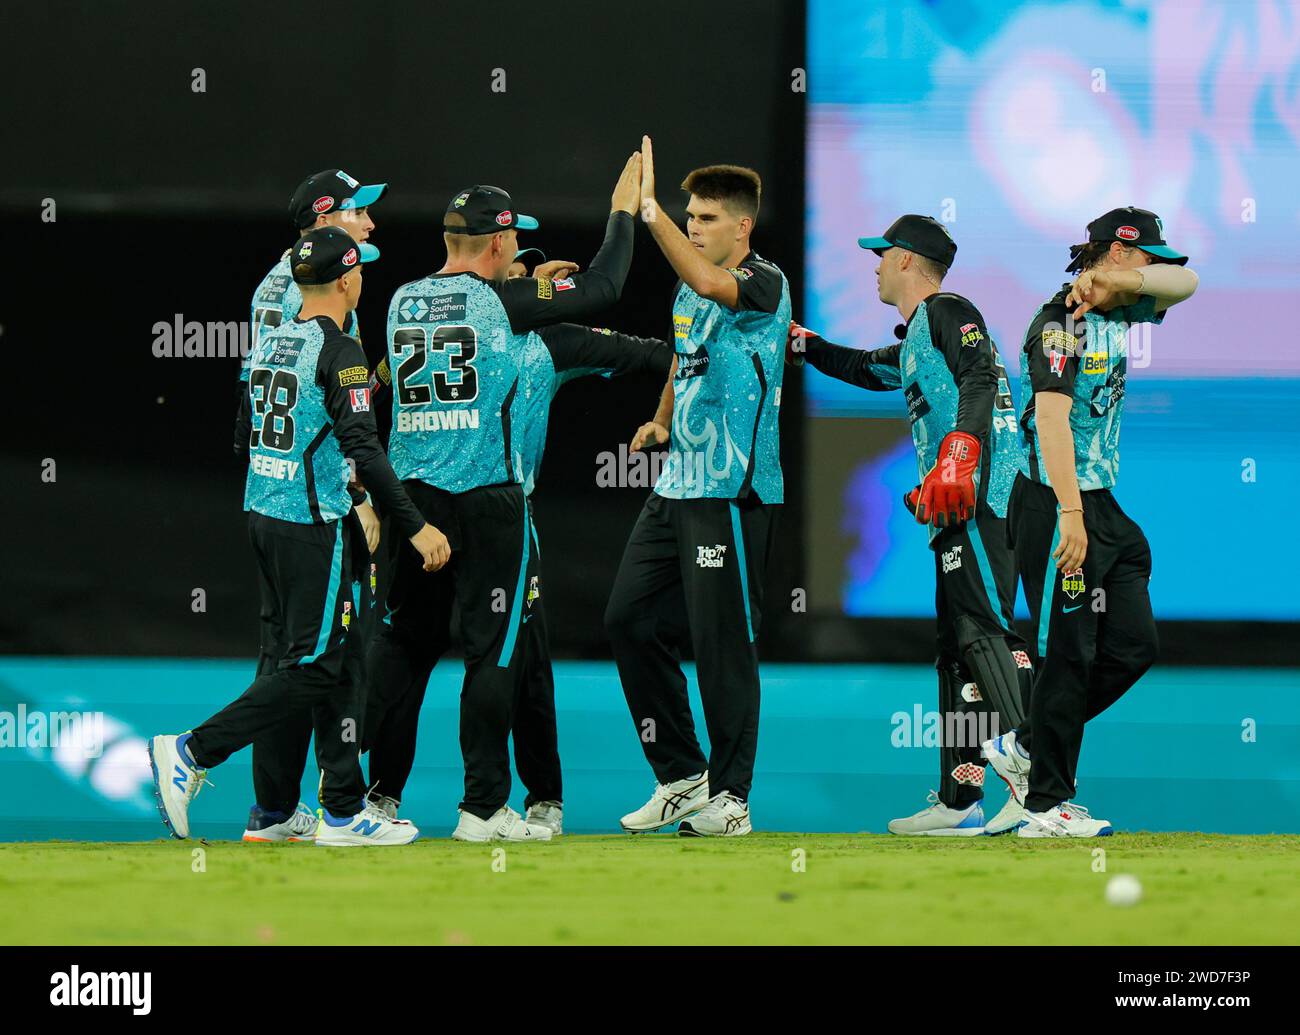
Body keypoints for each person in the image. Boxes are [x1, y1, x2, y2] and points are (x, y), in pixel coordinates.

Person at [367, 159, 642, 841]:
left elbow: (370, 387)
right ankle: (482, 807)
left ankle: (375, 801)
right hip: (487, 500)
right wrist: (623, 212)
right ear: (497, 243)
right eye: (513, 242)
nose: (517, 253)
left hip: (411, 502)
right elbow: (605, 285)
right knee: (493, 654)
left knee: (403, 652)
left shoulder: (400, 299)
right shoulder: (503, 304)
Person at [149, 227, 450, 846]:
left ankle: (341, 810)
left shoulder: (271, 340)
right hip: (313, 525)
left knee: (336, 657)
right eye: (360, 267)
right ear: (347, 280)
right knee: (315, 667)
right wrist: (415, 525)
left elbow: (243, 433)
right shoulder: (339, 352)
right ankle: (192, 750)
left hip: (265, 513)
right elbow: (363, 447)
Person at [788, 214, 1031, 835]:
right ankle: (960, 798)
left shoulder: (950, 310)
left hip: (978, 497)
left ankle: (1039, 773)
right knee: (957, 654)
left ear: (906, 260)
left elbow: (979, 376)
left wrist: (958, 454)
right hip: (953, 505)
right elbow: (868, 368)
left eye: (881, 254)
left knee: (983, 632)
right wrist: (805, 344)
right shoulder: (922, 333)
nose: (873, 265)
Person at [983, 206, 1198, 837]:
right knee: (1066, 654)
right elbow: (1050, 422)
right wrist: (1070, 515)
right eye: (1148, 256)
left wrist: (1118, 282)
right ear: (1124, 251)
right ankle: (1045, 807)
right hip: (1054, 499)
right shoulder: (1059, 325)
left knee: (1134, 646)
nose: (1159, 269)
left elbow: (1187, 286)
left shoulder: (1122, 307)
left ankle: (1024, 746)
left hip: (1099, 501)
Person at [605, 137, 789, 837]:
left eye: (706, 218)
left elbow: (715, 288)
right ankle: (683, 776)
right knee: (627, 619)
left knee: (722, 644)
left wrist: (647, 213)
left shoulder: (764, 282)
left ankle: (733, 798)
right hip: (677, 484)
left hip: (732, 495)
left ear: (742, 226)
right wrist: (658, 421)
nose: (692, 226)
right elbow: (685, 361)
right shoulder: (688, 286)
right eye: (688, 215)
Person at [236, 169, 387, 843]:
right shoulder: (305, 294)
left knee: (294, 652)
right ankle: (340, 810)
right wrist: (358, 495)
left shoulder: (288, 281)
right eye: (359, 211)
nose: (370, 223)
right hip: (311, 503)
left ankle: (277, 811)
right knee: (327, 653)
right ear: (326, 218)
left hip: (277, 495)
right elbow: (307, 408)